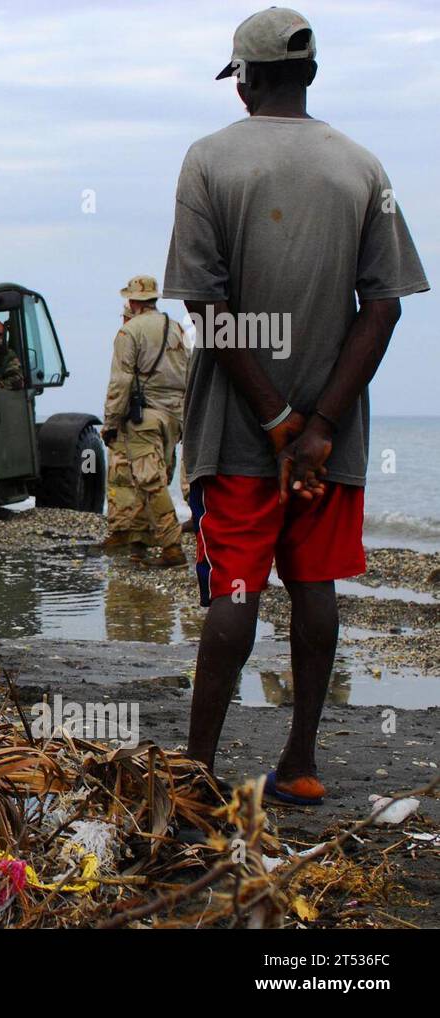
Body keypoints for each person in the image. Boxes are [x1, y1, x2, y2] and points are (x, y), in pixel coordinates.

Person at [164, 8, 428, 808]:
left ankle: (200, 776)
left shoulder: (209, 160)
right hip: (331, 439)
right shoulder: (363, 169)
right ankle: (301, 764)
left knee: (234, 594)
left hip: (241, 432)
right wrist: (317, 428)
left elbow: (207, 305)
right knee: (315, 587)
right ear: (308, 74)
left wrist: (277, 422)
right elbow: (383, 306)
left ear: (243, 80)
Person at [101, 275, 187, 566]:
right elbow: (187, 372)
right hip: (174, 416)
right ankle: (138, 542)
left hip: (144, 417)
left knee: (149, 482)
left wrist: (110, 422)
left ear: (133, 301)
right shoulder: (174, 328)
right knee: (157, 476)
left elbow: (121, 381)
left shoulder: (129, 332)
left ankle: (172, 546)